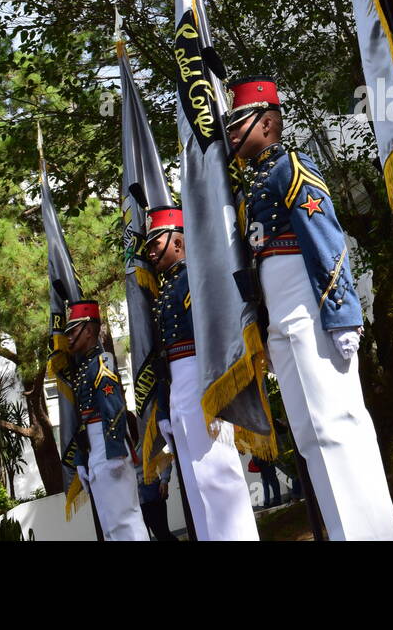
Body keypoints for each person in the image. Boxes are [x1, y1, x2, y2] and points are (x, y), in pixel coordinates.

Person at [227, 76, 393, 540]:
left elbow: (325, 239)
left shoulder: (291, 166)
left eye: (237, 122)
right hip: (279, 311)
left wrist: (342, 312)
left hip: (309, 301)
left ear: (267, 123)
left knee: (337, 420)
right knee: (308, 433)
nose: (230, 133)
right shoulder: (250, 187)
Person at [145, 206, 259, 541]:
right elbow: (163, 359)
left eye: (156, 242)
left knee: (218, 476)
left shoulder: (198, 280)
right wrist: (165, 410)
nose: (150, 252)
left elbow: (215, 336)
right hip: (179, 387)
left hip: (201, 379)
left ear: (178, 242)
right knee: (196, 482)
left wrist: (214, 389)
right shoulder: (167, 290)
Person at [63, 300, 147, 540]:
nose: (68, 338)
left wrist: (115, 450)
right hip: (95, 449)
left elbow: (114, 408)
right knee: (110, 526)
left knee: (125, 521)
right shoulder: (85, 368)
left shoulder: (102, 362)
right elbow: (82, 421)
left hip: (108, 446)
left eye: (73, 331)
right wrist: (81, 458)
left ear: (89, 330)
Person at [136, 457, 176, 541]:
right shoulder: (121, 445)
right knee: (141, 538)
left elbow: (164, 459)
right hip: (133, 501)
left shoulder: (148, 443)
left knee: (163, 535)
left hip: (152, 496)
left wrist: (164, 480)